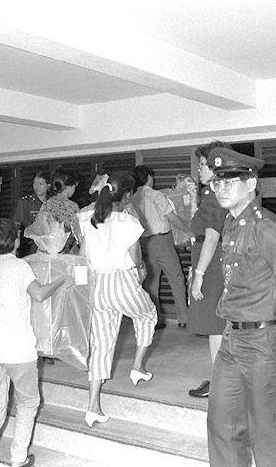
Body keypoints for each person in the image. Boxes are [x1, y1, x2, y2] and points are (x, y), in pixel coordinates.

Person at [205, 147, 276, 467]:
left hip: (262, 344)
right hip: (231, 338)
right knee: (221, 424)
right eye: (216, 183)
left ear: (251, 184)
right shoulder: (231, 225)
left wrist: (275, 321)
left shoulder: (267, 228)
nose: (220, 188)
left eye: (229, 182)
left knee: (265, 432)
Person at [0, 219, 69, 467]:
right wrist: (61, 280)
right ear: (15, 241)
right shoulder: (19, 266)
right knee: (28, 403)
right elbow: (39, 294)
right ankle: (18, 458)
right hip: (18, 350)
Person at [77, 172, 158, 427]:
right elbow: (136, 257)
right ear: (126, 195)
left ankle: (93, 407)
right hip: (121, 281)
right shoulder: (128, 221)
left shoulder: (86, 219)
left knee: (101, 346)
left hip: (97, 286)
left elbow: (82, 256)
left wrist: (81, 287)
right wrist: (143, 268)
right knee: (147, 315)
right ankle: (137, 366)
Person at [186, 141, 230, 398]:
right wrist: (193, 197)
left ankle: (221, 384)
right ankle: (220, 379)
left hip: (212, 265)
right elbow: (197, 229)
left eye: (203, 165)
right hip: (206, 260)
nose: (199, 170)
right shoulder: (210, 194)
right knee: (217, 327)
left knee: (216, 327)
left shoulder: (215, 196)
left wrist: (199, 275)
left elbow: (212, 237)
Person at [130, 164, 191, 328]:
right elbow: (171, 218)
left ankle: (155, 320)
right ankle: (184, 319)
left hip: (142, 244)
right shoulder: (156, 195)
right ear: (149, 177)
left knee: (150, 283)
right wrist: (188, 230)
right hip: (161, 241)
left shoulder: (131, 199)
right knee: (176, 278)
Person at [38, 168, 80, 252]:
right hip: (66, 251)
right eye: (75, 186)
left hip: (46, 250)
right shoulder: (73, 206)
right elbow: (77, 233)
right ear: (69, 186)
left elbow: (39, 227)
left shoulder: (46, 204)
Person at [13, 171, 51, 257]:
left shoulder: (52, 202)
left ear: (48, 185)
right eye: (34, 183)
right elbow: (16, 226)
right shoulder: (25, 202)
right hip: (30, 248)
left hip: (50, 246)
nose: (37, 187)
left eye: (40, 184)